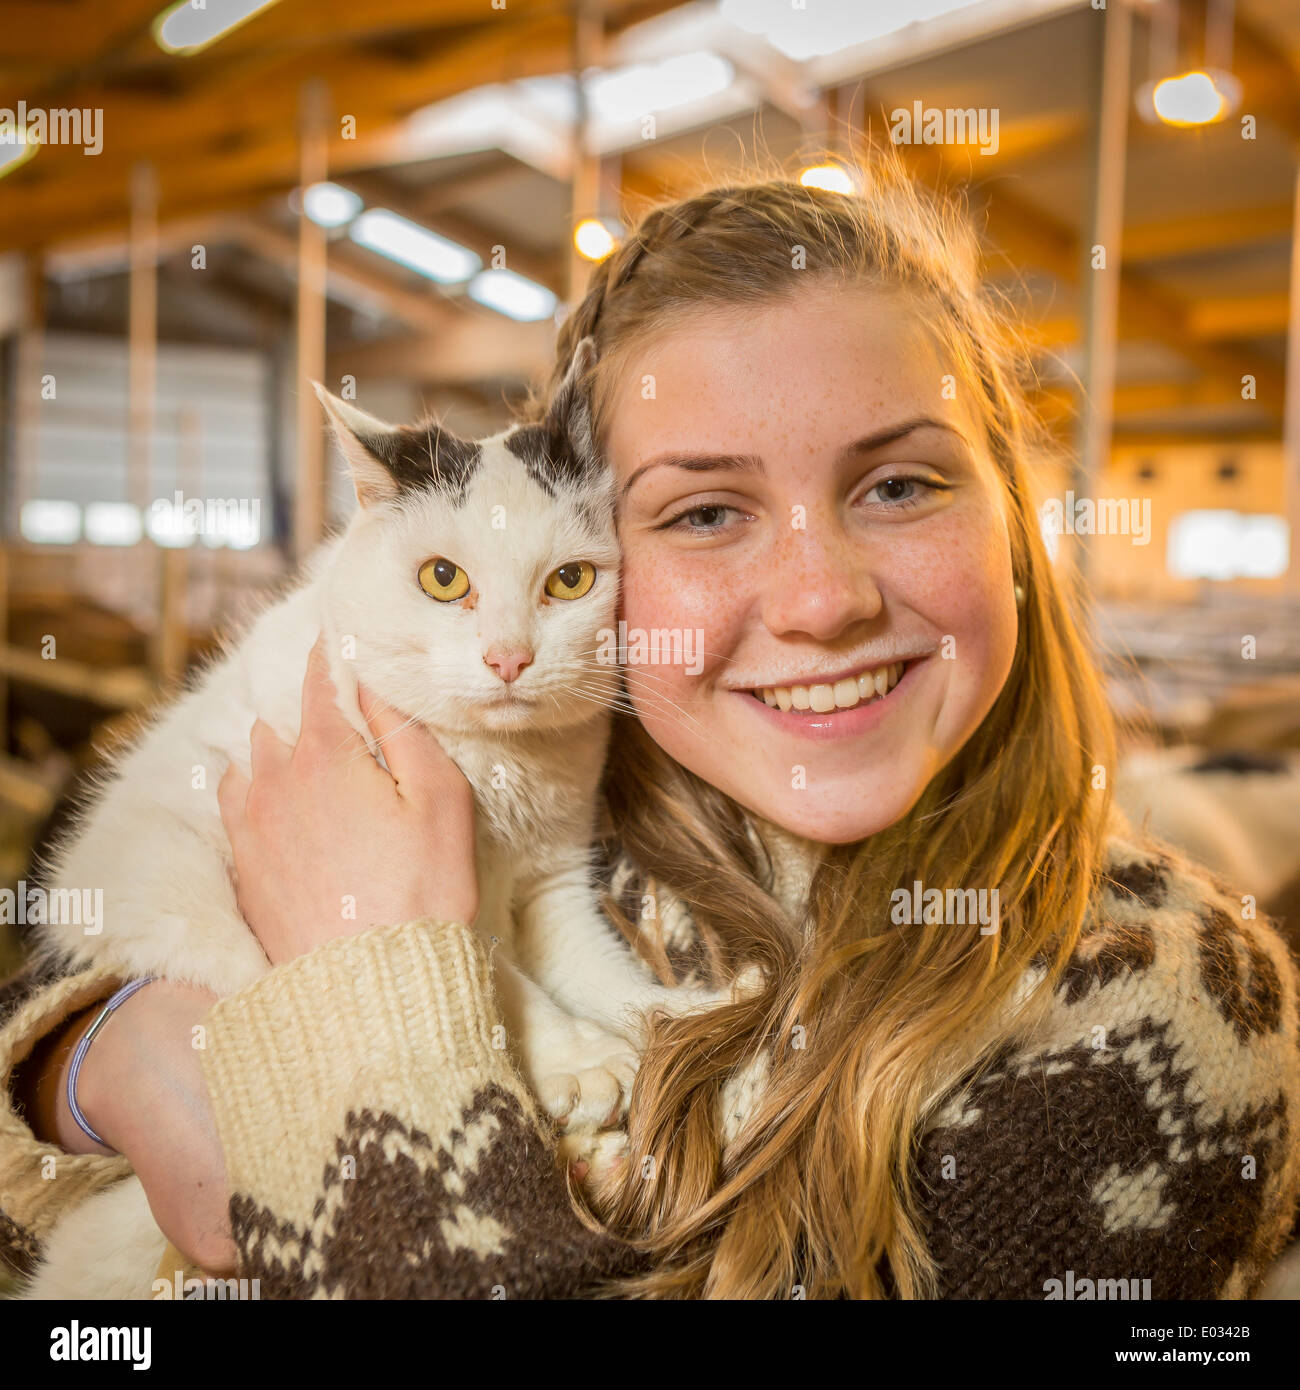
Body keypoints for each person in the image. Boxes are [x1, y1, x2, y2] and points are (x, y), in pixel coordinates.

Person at [4, 159, 1297, 1299]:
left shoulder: (1165, 1002)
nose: (821, 600)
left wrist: (365, 995)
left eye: (900, 484)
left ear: (1013, 520)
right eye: (702, 513)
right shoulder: (558, 811)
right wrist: (102, 1049)